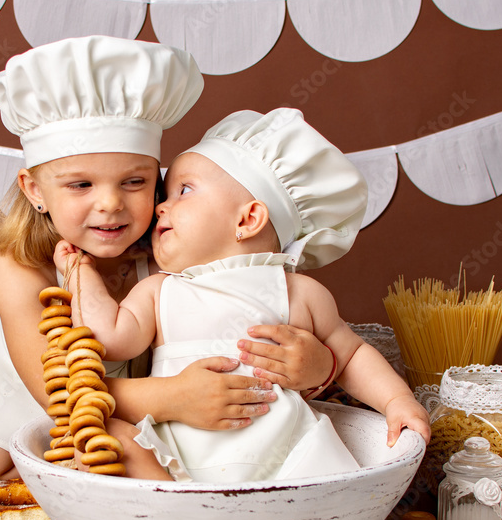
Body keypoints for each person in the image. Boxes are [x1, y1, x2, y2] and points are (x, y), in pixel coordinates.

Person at [0, 38, 336, 500]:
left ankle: (91, 485)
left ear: (157, 179)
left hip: (150, 406)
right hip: (46, 394)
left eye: (134, 182)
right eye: (80, 184)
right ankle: (68, 478)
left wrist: (319, 366)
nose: (110, 204)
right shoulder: (17, 265)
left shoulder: (175, 249)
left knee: (117, 452)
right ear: (35, 190)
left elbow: (253, 310)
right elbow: (55, 393)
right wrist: (175, 398)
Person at [54, 108, 432, 482]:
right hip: (177, 463)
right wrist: (80, 274)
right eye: (165, 195)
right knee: (110, 438)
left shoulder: (297, 291)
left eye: (183, 190)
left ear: (247, 219)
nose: (160, 207)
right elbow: (109, 338)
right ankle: (181, 511)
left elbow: (351, 355)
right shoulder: (159, 290)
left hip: (287, 463)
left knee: (329, 480)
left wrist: (396, 401)